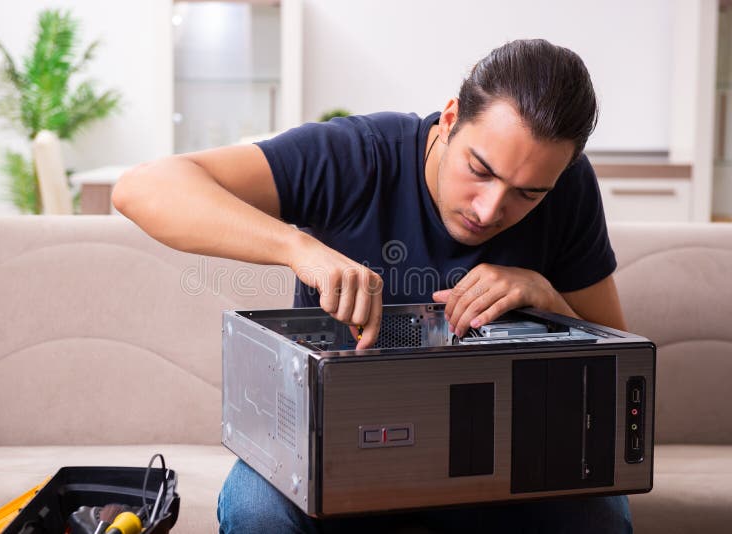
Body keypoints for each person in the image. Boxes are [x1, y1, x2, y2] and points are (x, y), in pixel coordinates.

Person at [113, 39, 632, 533]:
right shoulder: (355, 157)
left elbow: (622, 365)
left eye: (528, 195)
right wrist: (300, 248)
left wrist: (544, 296)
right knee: (256, 513)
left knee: (598, 518)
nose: (490, 209)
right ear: (450, 118)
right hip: (332, 443)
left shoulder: (569, 188)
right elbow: (143, 188)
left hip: (499, 454)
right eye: (479, 170)